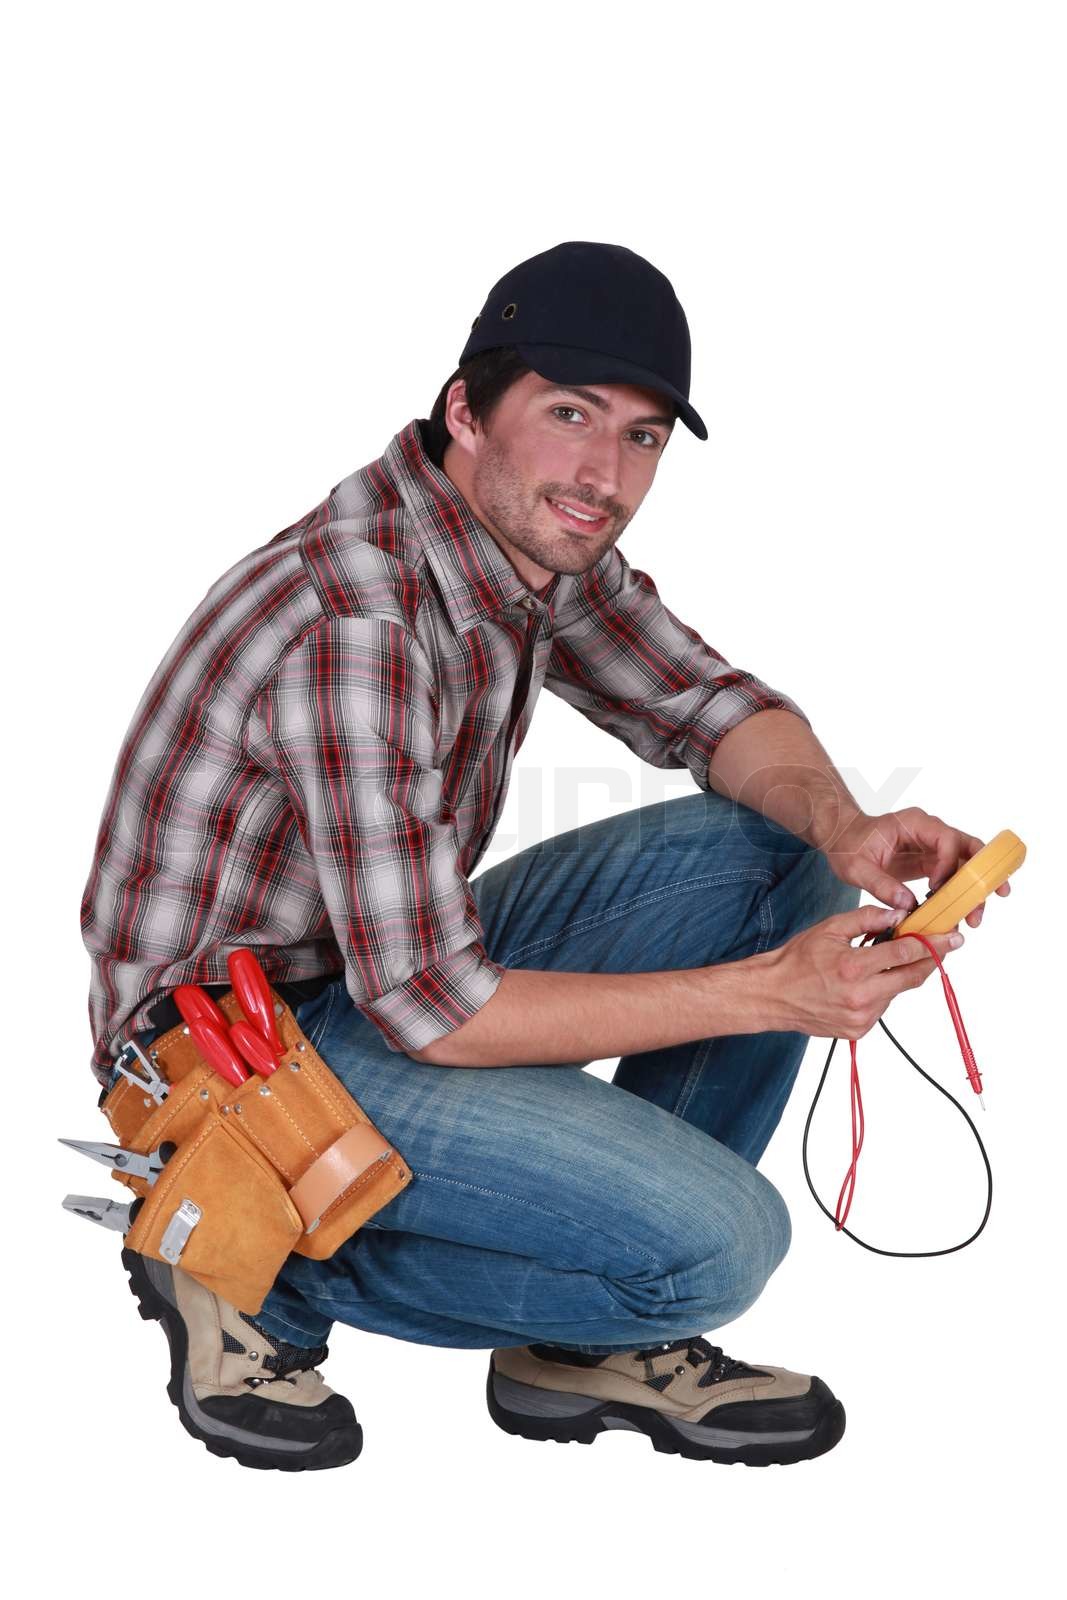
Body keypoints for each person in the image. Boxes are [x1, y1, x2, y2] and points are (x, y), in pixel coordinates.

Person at [80, 240, 997, 1472]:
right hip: (237, 1054)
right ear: (465, 410)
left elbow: (708, 704)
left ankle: (580, 1338)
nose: (602, 474)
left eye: (640, 435)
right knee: (721, 1247)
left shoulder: (521, 540)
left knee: (780, 849)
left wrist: (841, 823)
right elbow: (437, 1007)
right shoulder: (358, 624)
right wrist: (774, 992)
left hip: (374, 975)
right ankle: (232, 1246)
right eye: (569, 414)